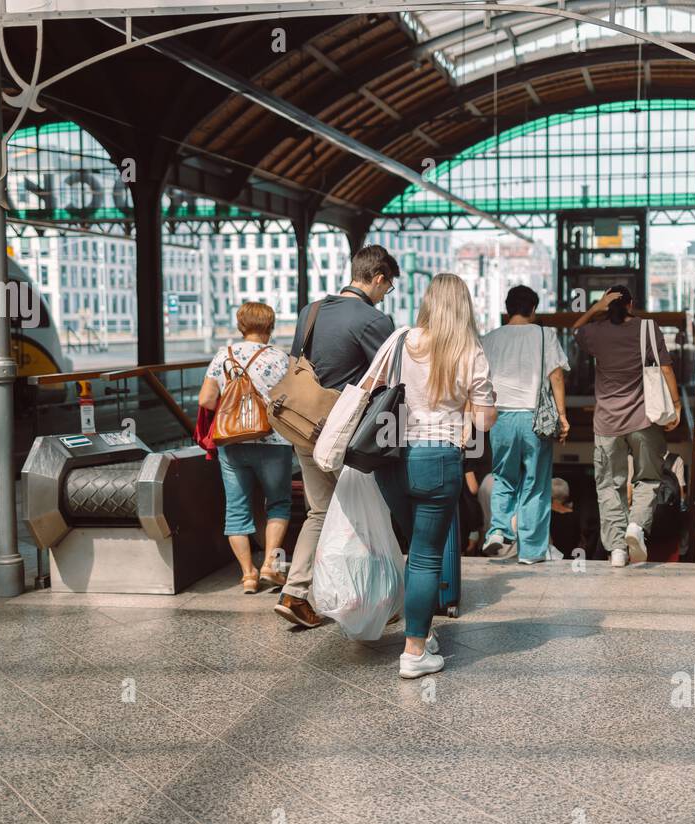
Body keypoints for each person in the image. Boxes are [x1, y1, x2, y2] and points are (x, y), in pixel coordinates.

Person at [365, 273, 496, 678]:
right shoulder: (468, 348)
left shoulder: (400, 338)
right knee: (425, 558)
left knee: (413, 551)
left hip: (390, 457)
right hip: (438, 459)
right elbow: (485, 420)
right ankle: (414, 652)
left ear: (427, 301)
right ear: (463, 306)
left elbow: (371, 387)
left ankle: (420, 633)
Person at [274, 245, 399, 629]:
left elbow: (304, 366)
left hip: (301, 423)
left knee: (321, 510)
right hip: (346, 434)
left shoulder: (309, 312)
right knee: (367, 510)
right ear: (377, 278)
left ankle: (295, 592)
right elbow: (392, 379)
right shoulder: (374, 320)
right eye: (387, 286)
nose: (385, 294)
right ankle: (374, 597)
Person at [571, 285, 682, 568]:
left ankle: (617, 550)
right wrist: (677, 404)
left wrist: (596, 306)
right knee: (648, 478)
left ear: (608, 304)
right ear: (631, 304)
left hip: (607, 423)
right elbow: (666, 368)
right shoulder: (648, 328)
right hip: (645, 421)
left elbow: (575, 329)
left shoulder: (596, 332)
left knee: (609, 485)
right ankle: (636, 526)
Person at [198, 302, 293, 594]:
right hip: (274, 442)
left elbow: (206, 400)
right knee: (278, 504)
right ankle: (270, 566)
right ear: (270, 326)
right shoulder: (281, 358)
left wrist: (232, 411)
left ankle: (248, 575)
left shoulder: (223, 356)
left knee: (236, 509)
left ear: (241, 326)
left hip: (232, 442)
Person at [479, 285, 570, 564]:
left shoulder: (489, 339)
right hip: (535, 418)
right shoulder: (545, 335)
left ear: (507, 309)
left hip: (501, 417)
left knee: (504, 476)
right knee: (535, 482)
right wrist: (563, 416)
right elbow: (556, 377)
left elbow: (479, 380)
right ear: (533, 309)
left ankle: (498, 530)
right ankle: (531, 550)